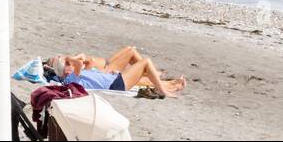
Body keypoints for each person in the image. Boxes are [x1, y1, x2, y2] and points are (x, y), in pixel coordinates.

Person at [48, 48, 186, 97]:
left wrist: (67, 60)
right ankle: (163, 89)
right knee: (146, 62)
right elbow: (79, 61)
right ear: (65, 70)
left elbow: (83, 60)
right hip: (116, 84)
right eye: (67, 64)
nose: (70, 63)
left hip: (114, 79)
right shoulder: (71, 77)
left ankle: (166, 83)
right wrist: (69, 58)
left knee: (141, 63)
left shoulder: (69, 78)